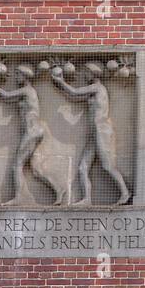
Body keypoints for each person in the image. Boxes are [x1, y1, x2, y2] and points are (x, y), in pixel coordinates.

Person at [0, 63, 65, 206]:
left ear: (25, 77)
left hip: (31, 132)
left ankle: (20, 197)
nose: (16, 77)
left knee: (17, 165)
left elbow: (7, 96)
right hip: (33, 131)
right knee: (35, 169)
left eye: (18, 75)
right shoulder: (28, 92)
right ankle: (58, 188)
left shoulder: (27, 91)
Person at [53, 61, 132, 206]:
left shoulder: (97, 87)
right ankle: (87, 199)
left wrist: (60, 80)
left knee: (107, 165)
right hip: (94, 132)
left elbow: (75, 92)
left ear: (93, 74)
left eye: (86, 72)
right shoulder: (94, 90)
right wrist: (60, 84)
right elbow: (74, 96)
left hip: (101, 130)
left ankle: (125, 192)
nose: (84, 75)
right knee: (83, 167)